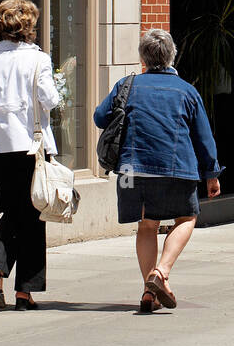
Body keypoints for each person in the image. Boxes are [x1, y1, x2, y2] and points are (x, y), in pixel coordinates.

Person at [93, 29, 222, 313]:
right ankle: (161, 273)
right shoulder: (187, 91)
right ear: (171, 55)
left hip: (133, 169)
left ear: (143, 58)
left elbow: (99, 117)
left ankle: (148, 293)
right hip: (177, 168)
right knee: (187, 218)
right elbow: (203, 136)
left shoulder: (127, 85)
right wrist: (211, 174)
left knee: (147, 225)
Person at [0, 0, 61, 310]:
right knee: (32, 215)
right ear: (29, 26)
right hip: (31, 147)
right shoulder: (38, 59)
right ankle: (21, 289)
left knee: (12, 211)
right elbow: (50, 99)